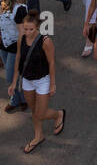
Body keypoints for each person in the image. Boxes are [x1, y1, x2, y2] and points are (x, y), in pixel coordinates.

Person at [10, 11, 65, 153]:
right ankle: (38, 136)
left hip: (42, 81)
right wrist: (14, 82)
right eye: (26, 29)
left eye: (31, 29)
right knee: (34, 110)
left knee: (40, 114)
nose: (28, 32)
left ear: (38, 28)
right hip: (27, 80)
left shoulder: (45, 41)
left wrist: (52, 84)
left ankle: (57, 114)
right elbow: (18, 59)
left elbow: (52, 63)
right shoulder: (21, 38)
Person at [0, 0, 28, 113]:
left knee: (10, 76)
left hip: (15, 48)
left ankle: (16, 100)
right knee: (15, 74)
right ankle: (22, 98)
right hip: (2, 45)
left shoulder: (19, 9)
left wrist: (20, 51)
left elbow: (22, 33)